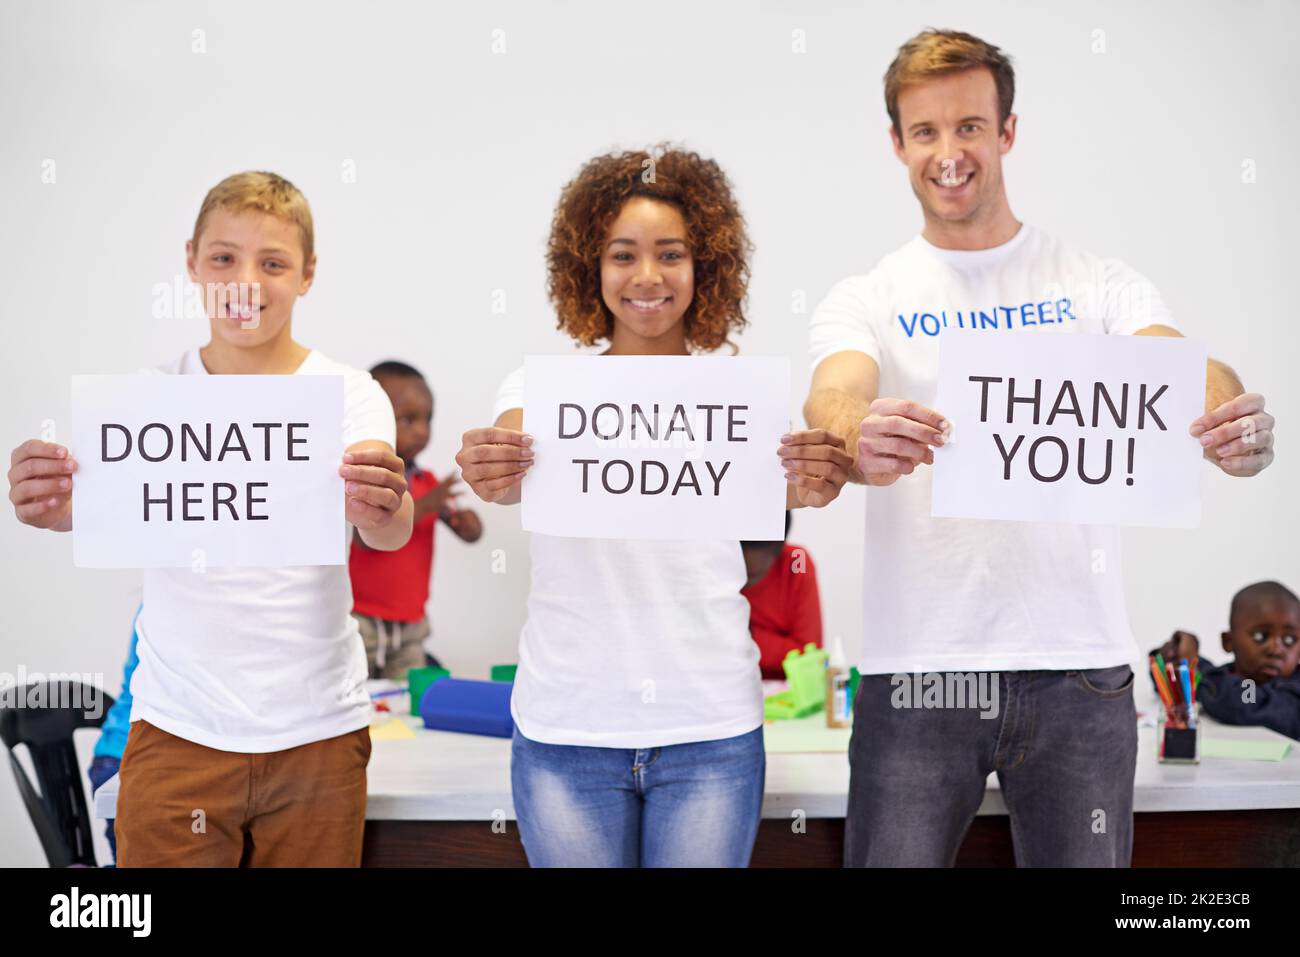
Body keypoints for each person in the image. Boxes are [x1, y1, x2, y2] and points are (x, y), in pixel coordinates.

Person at [802, 30, 1276, 867]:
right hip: (920, 674)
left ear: (1007, 132)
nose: (949, 153)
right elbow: (834, 393)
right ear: (897, 144)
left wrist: (1229, 417)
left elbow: (1183, 363)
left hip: (1080, 677)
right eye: (925, 132)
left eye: (970, 127)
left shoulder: (1094, 282)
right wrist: (853, 431)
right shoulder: (867, 296)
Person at [456, 146, 853, 867]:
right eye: (622, 255)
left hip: (710, 729)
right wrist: (494, 463)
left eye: (671, 254)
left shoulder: (739, 392)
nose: (647, 277)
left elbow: (795, 487)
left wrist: (819, 476)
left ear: (705, 268)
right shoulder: (541, 384)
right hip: (567, 729)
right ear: (589, 267)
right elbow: (511, 458)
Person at [8, 171, 413, 866]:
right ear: (191, 261)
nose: (245, 280)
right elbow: (87, 509)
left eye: (273, 262)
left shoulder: (350, 394)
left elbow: (386, 527)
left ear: (308, 274)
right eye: (224, 257)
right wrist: (48, 504)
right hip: (176, 727)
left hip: (317, 732)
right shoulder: (146, 400)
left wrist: (385, 502)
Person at [350, 360, 483, 678]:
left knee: (404, 710)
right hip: (360, 618)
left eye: (428, 419)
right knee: (354, 697)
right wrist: (428, 504)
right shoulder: (359, 483)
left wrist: (467, 524)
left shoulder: (426, 481)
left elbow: (469, 533)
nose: (423, 431)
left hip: (412, 622)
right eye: (407, 420)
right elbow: (360, 540)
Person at [1152, 582, 1299, 740]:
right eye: (1260, 636)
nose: (1276, 650)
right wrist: (1172, 657)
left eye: (1289, 640)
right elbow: (1172, 686)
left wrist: (1191, 664)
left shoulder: (1293, 690)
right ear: (1229, 642)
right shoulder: (1227, 676)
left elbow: (1244, 704)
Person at [740, 511, 824, 679]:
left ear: (779, 550)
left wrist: (743, 635)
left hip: (785, 694)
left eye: (752, 575)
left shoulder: (797, 563)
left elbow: (809, 658)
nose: (744, 584)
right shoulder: (711, 566)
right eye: (738, 573)